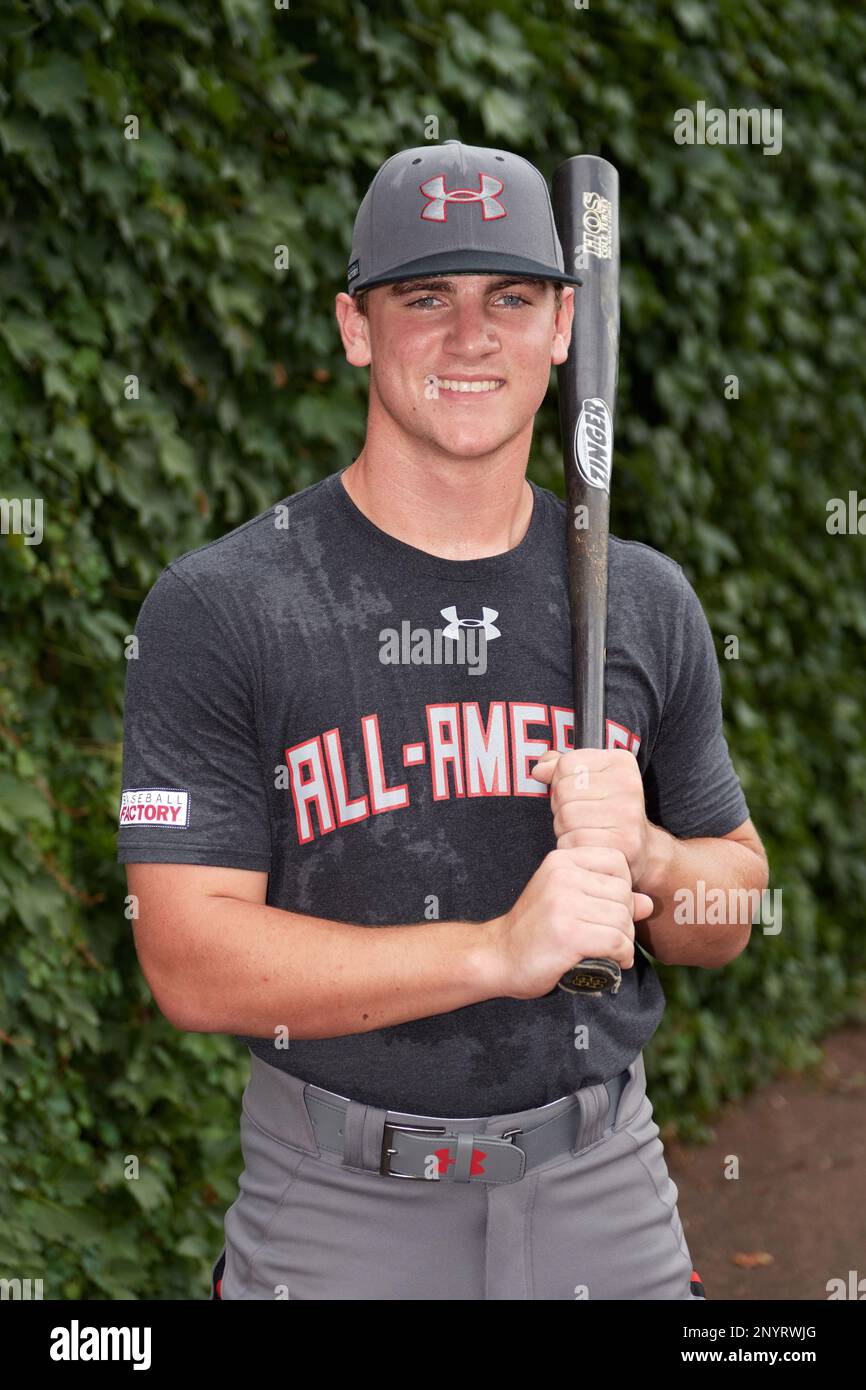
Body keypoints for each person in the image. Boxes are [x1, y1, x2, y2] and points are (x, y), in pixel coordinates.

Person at [118, 140, 768, 1301]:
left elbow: (726, 909)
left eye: (509, 298)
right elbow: (189, 961)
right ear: (354, 326)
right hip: (335, 1200)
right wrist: (491, 953)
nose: (471, 338)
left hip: (602, 1189)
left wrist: (653, 855)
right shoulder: (225, 605)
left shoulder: (641, 598)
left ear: (563, 328)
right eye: (426, 298)